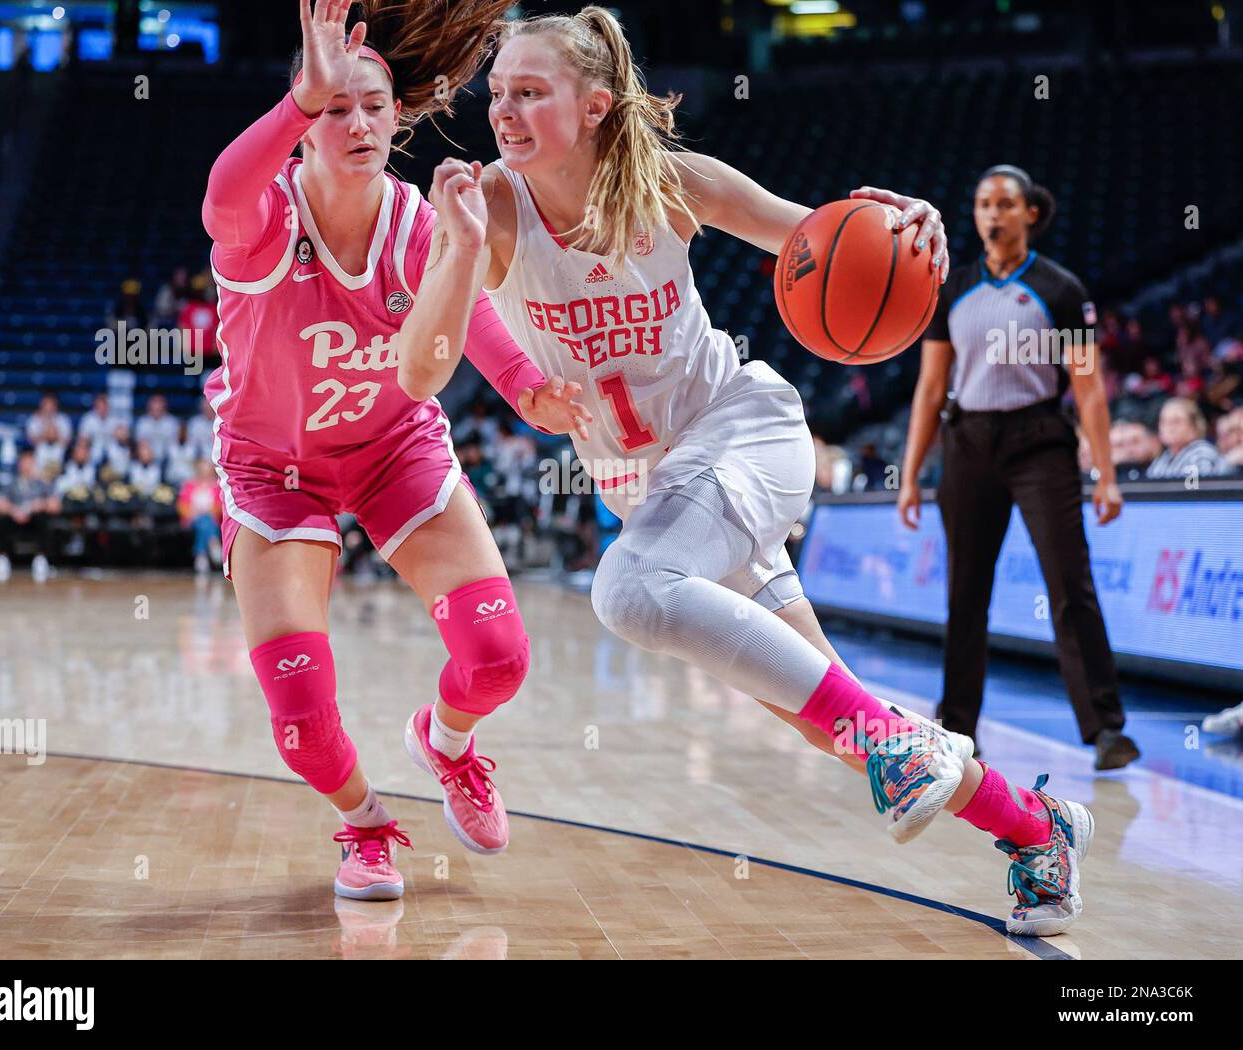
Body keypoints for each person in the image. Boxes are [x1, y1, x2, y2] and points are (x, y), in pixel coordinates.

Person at [396, 6, 1092, 937]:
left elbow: (828, 240)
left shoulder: (674, 184)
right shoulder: (494, 211)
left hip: (740, 433)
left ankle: (901, 745)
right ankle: (1038, 829)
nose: (504, 112)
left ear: (596, 104)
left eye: (531, 92)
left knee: (629, 593)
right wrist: (463, 253)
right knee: (829, 715)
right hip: (656, 493)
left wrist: (909, 225)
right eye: (499, 94)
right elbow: (424, 366)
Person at [201, 0, 590, 902]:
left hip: (391, 451)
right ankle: (367, 822)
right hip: (273, 471)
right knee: (300, 724)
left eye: (373, 106)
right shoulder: (265, 221)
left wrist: (528, 386)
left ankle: (447, 743)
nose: (360, 123)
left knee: (498, 657)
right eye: (337, 110)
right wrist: (305, 95)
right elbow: (222, 191)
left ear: (396, 117)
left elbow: (473, 318)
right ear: (303, 128)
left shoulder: (416, 222)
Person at [898, 163, 1139, 773]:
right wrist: (909, 474)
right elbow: (930, 389)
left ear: (1030, 213)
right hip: (968, 443)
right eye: (982, 204)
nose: (992, 214)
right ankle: (956, 727)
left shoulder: (1061, 291)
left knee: (1069, 583)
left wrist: (1106, 473)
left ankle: (1107, 728)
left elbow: (1087, 390)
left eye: (1005, 204)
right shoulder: (952, 287)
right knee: (965, 591)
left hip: (1040, 442)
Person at [0, 450, 60, 583]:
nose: (27, 466)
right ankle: (3, 558)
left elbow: (55, 506)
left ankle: (40, 559)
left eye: (30, 462)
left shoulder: (43, 485)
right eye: (24, 462)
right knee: (2, 519)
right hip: (15, 519)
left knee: (42, 518)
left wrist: (40, 505)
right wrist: (14, 511)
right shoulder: (11, 484)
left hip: (34, 520)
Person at [1145, 397, 1230, 479]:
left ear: (1194, 427)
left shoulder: (1201, 454)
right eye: (1164, 421)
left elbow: (1196, 491)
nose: (1169, 428)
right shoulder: (1163, 459)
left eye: (1176, 421)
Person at [178, 458, 223, 574]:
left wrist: (207, 512)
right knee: (203, 520)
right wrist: (192, 513)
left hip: (211, 518)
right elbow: (181, 505)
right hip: (192, 518)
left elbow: (220, 506)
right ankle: (213, 542)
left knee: (205, 520)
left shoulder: (218, 485)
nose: (205, 472)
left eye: (207, 469)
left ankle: (201, 555)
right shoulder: (189, 485)